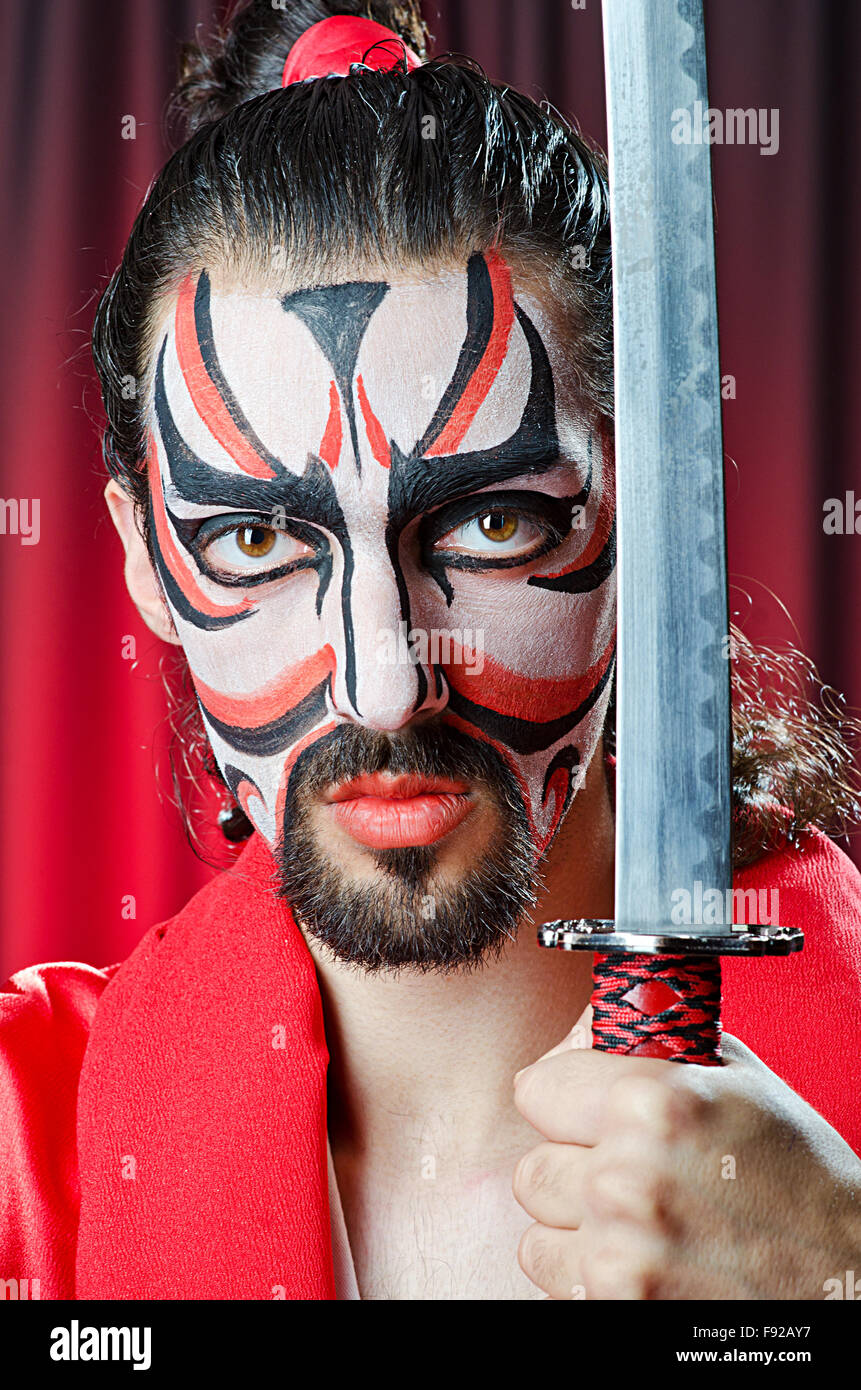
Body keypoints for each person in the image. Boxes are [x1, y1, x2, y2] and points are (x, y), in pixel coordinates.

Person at [2, 0, 860, 1302]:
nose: (386, 680)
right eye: (252, 543)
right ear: (143, 559)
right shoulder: (29, 1135)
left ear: (654, 505)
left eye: (491, 517)